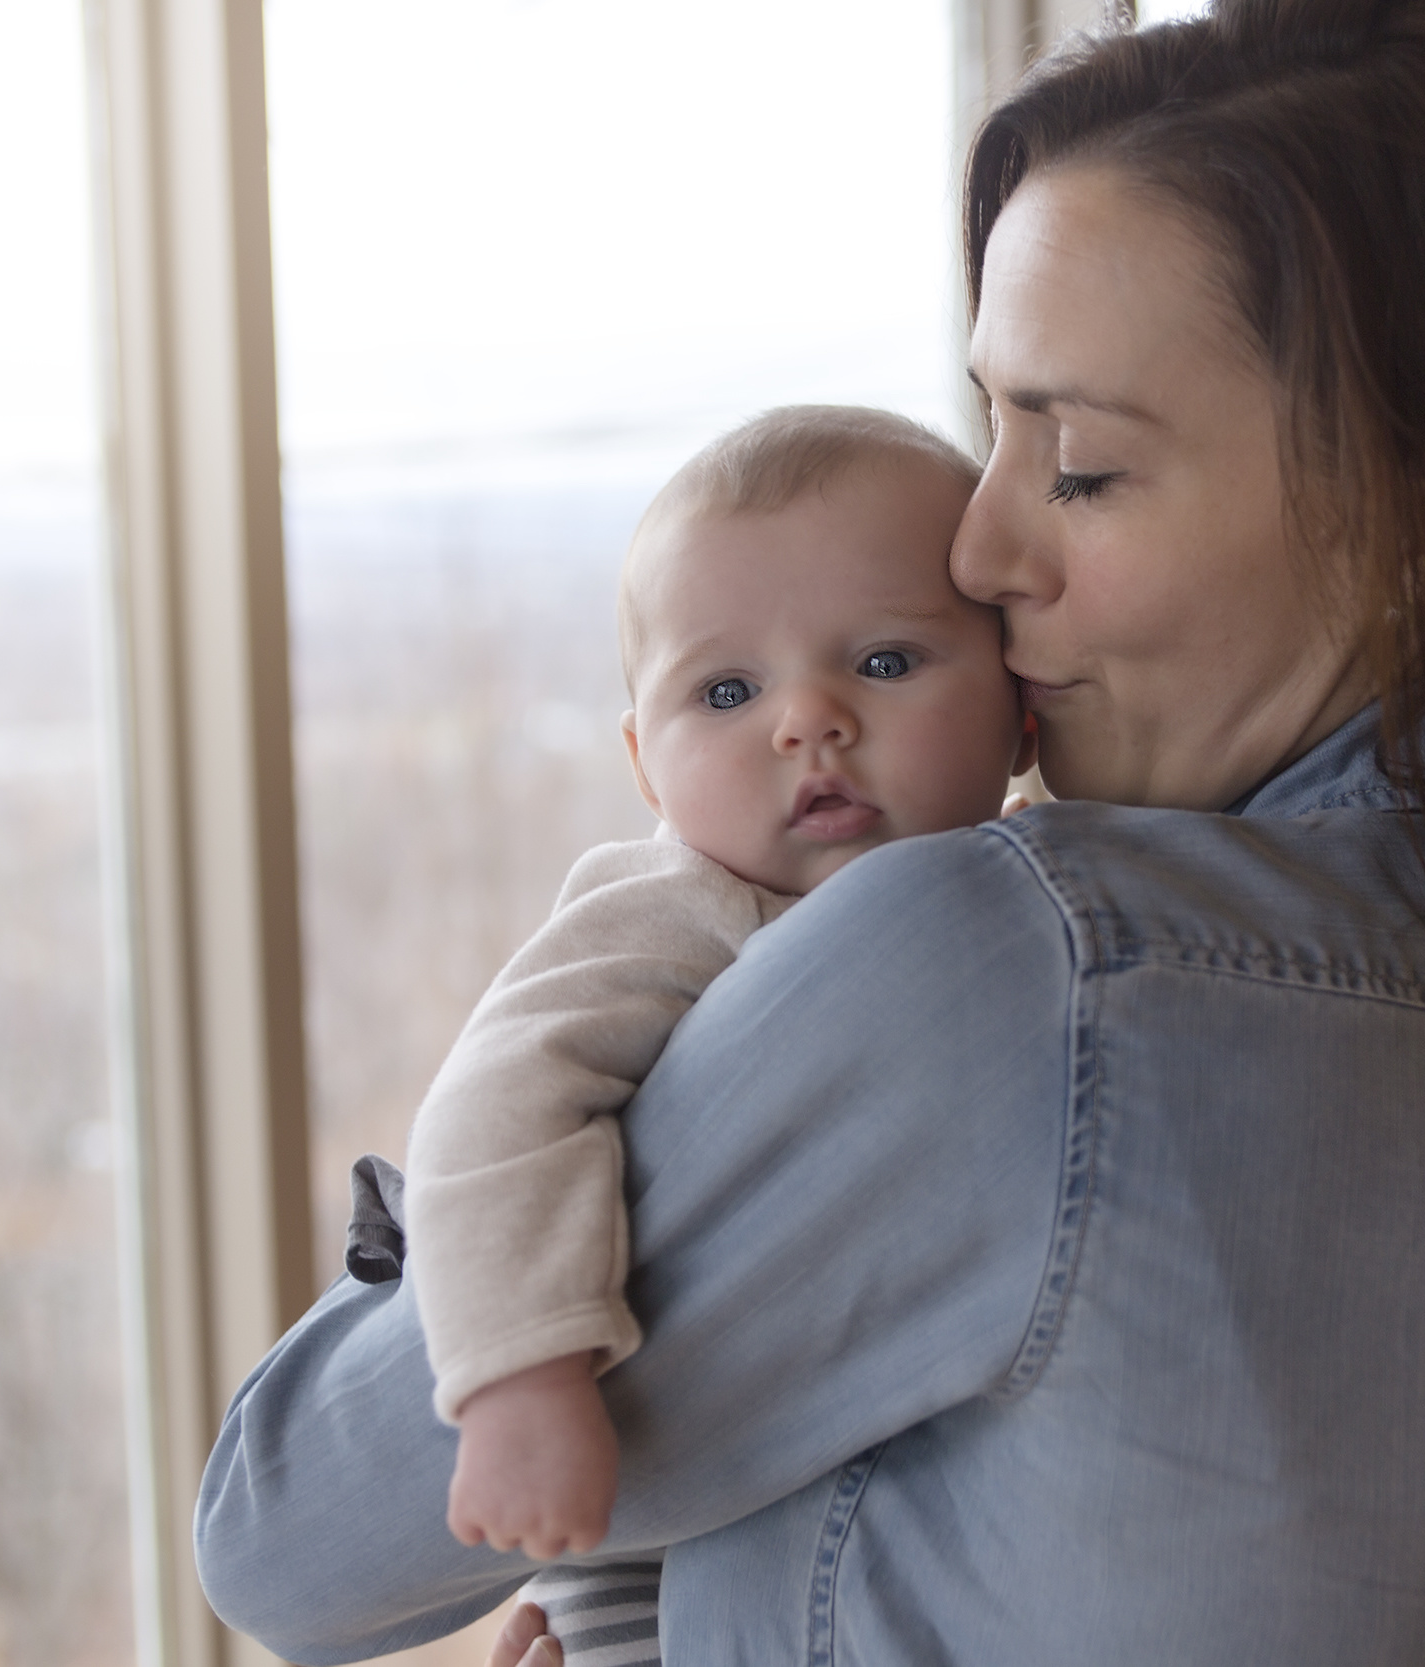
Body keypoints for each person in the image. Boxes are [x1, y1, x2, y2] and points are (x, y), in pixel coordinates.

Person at [196, 3, 1425, 1663]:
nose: (978, 550)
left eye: (1085, 465)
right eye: (994, 427)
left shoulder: (1027, 970)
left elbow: (282, 1529)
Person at [397, 404, 1030, 1665]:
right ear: (646, 765)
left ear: (1021, 704)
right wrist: (521, 1377)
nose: (809, 720)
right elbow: (495, 1105)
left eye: (886, 661)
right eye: (728, 691)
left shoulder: (1047, 889)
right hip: (662, 1537)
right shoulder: (674, 912)